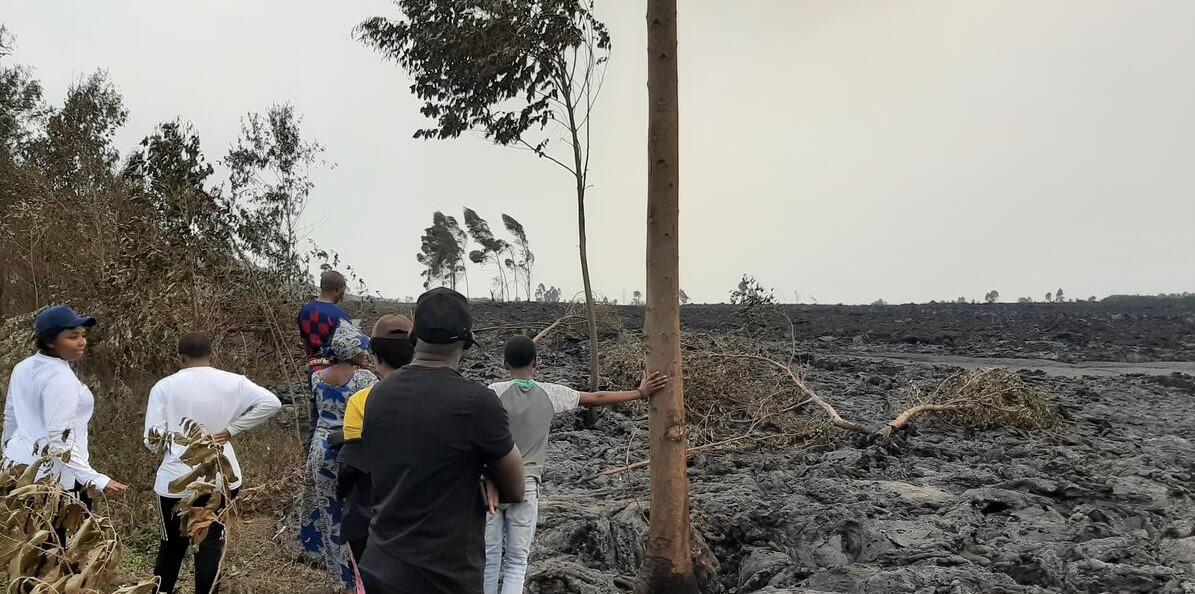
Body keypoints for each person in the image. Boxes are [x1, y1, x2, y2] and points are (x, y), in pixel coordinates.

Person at [358, 288, 525, 594]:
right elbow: (515, 489)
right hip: (443, 577)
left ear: (414, 337)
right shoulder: (477, 402)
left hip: (379, 564)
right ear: (466, 342)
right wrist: (486, 476)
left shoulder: (377, 395)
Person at [483, 335, 669, 594]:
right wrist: (640, 393)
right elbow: (596, 397)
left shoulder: (492, 392)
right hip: (526, 486)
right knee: (516, 563)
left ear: (505, 364)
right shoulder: (549, 393)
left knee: (490, 561)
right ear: (537, 363)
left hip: (492, 486)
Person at [143, 332, 282, 594]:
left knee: (171, 546)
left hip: (176, 481)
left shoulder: (164, 387)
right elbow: (272, 403)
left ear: (180, 359)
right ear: (212, 356)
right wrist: (231, 429)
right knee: (211, 543)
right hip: (223, 475)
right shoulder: (235, 382)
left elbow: (152, 440)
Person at [2, 305, 128, 500]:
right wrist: (94, 479)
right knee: (61, 531)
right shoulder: (59, 378)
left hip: (17, 472)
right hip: (55, 481)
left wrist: (6, 458)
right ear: (50, 341)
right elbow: (59, 438)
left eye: (83, 335)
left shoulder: (23, 367)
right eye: (72, 337)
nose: (82, 342)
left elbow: (11, 418)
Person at [299, 321, 377, 594]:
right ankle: (356, 574)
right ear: (354, 350)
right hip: (348, 449)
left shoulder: (317, 376)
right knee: (352, 512)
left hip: (320, 450)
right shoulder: (364, 379)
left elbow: (315, 417)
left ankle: (338, 576)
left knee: (327, 512)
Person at [334, 314, 414, 568]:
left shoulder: (361, 400)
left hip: (372, 521)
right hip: (422, 523)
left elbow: (351, 468)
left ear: (377, 358)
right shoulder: (441, 399)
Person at [298, 270, 351, 445]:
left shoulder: (305, 311)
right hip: (334, 371)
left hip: (313, 367)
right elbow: (345, 348)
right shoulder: (339, 316)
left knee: (316, 418)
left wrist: (313, 360)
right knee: (334, 419)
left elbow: (305, 342)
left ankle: (310, 458)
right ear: (338, 289)